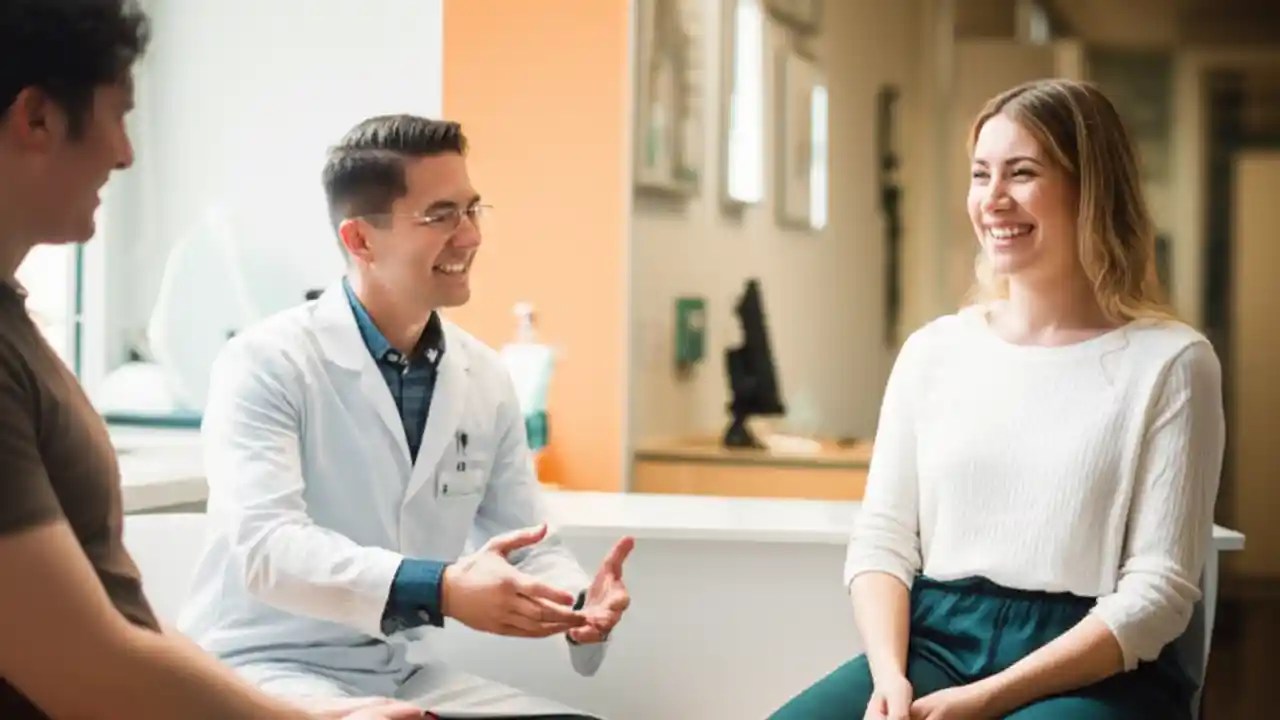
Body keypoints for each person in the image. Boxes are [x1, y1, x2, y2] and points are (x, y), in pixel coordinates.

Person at [0, 2, 424, 719]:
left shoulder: (17, 332)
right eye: (118, 114)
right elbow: (80, 665)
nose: (125, 153)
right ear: (38, 118)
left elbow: (115, 615)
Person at [770, 78, 1225, 720]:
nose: (993, 199)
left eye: (1022, 172)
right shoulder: (934, 351)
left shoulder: (1174, 363)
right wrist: (890, 679)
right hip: (934, 645)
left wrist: (987, 700)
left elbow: (1158, 596)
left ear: (1091, 189)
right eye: (981, 174)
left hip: (1093, 666)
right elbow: (882, 541)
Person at [177, 114, 635, 719]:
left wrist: (577, 606)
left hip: (394, 672)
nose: (469, 236)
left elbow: (525, 541)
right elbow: (267, 549)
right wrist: (441, 590)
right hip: (259, 669)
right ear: (361, 241)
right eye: (441, 216)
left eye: (473, 210)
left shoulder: (483, 375)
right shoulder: (266, 362)